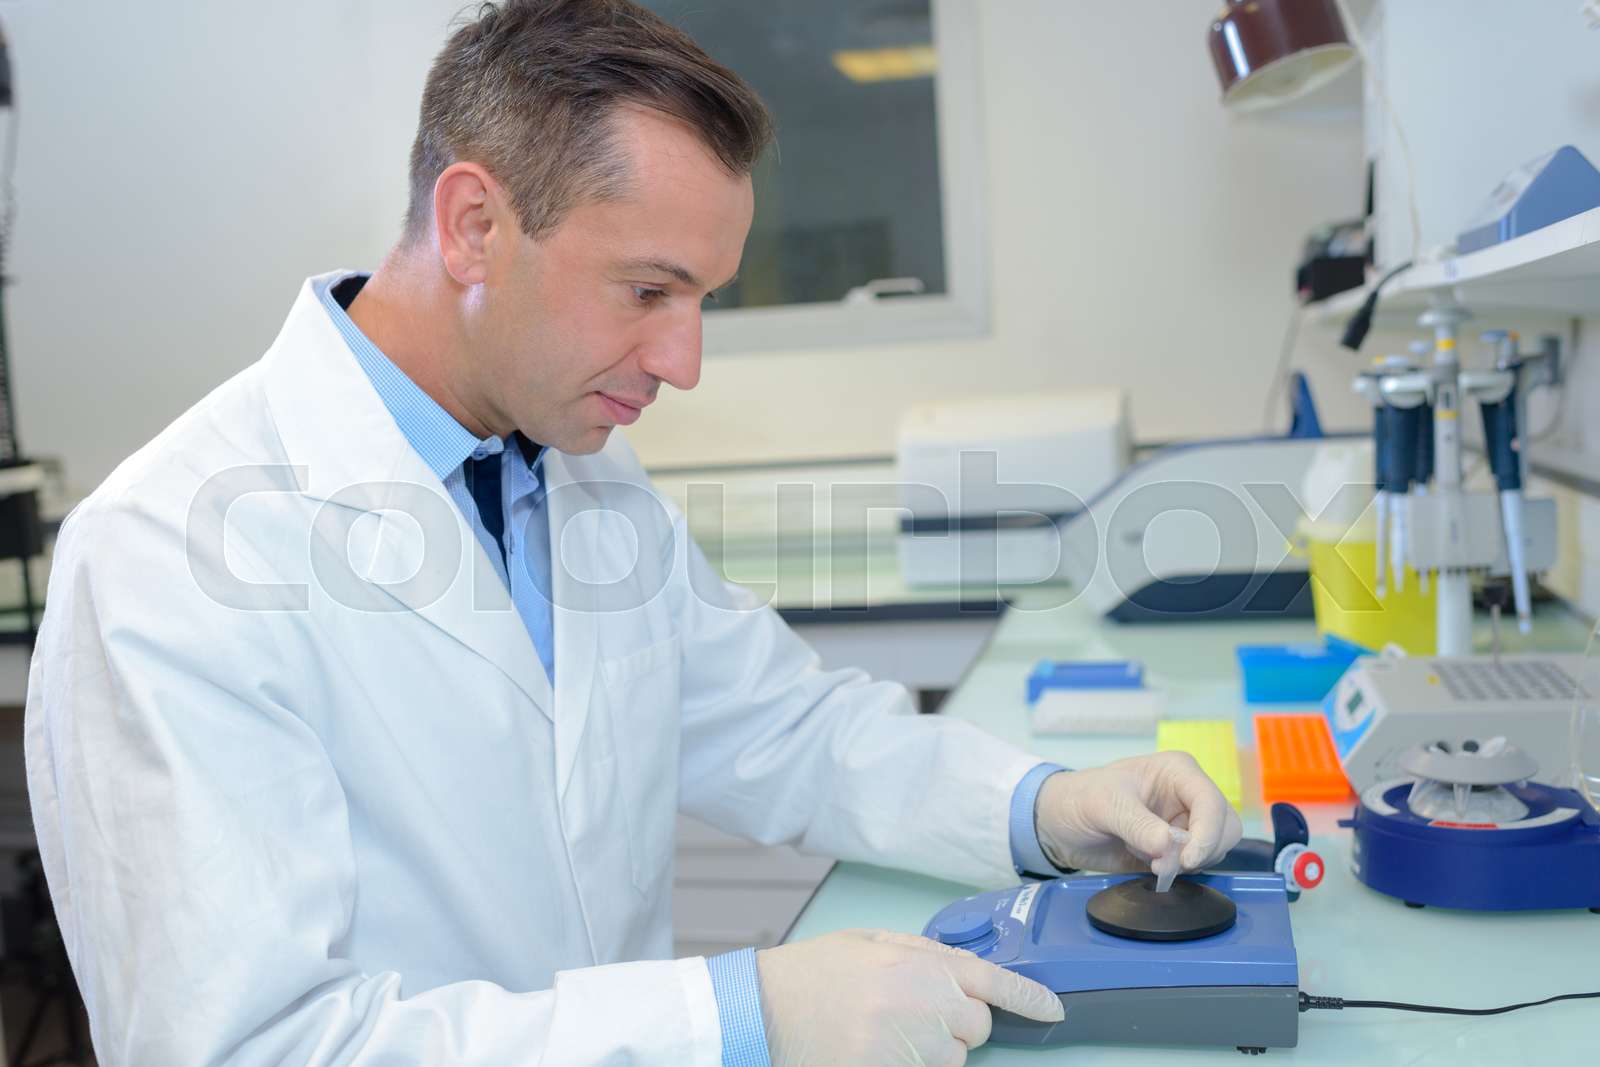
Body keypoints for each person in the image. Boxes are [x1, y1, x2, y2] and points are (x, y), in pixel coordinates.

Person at [24, 1, 1242, 1064]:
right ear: (472, 227)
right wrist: (732, 1018)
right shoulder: (167, 554)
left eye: (701, 300)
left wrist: (1046, 801)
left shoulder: (574, 471)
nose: (685, 360)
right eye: (649, 291)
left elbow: (782, 728)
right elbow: (246, 1045)